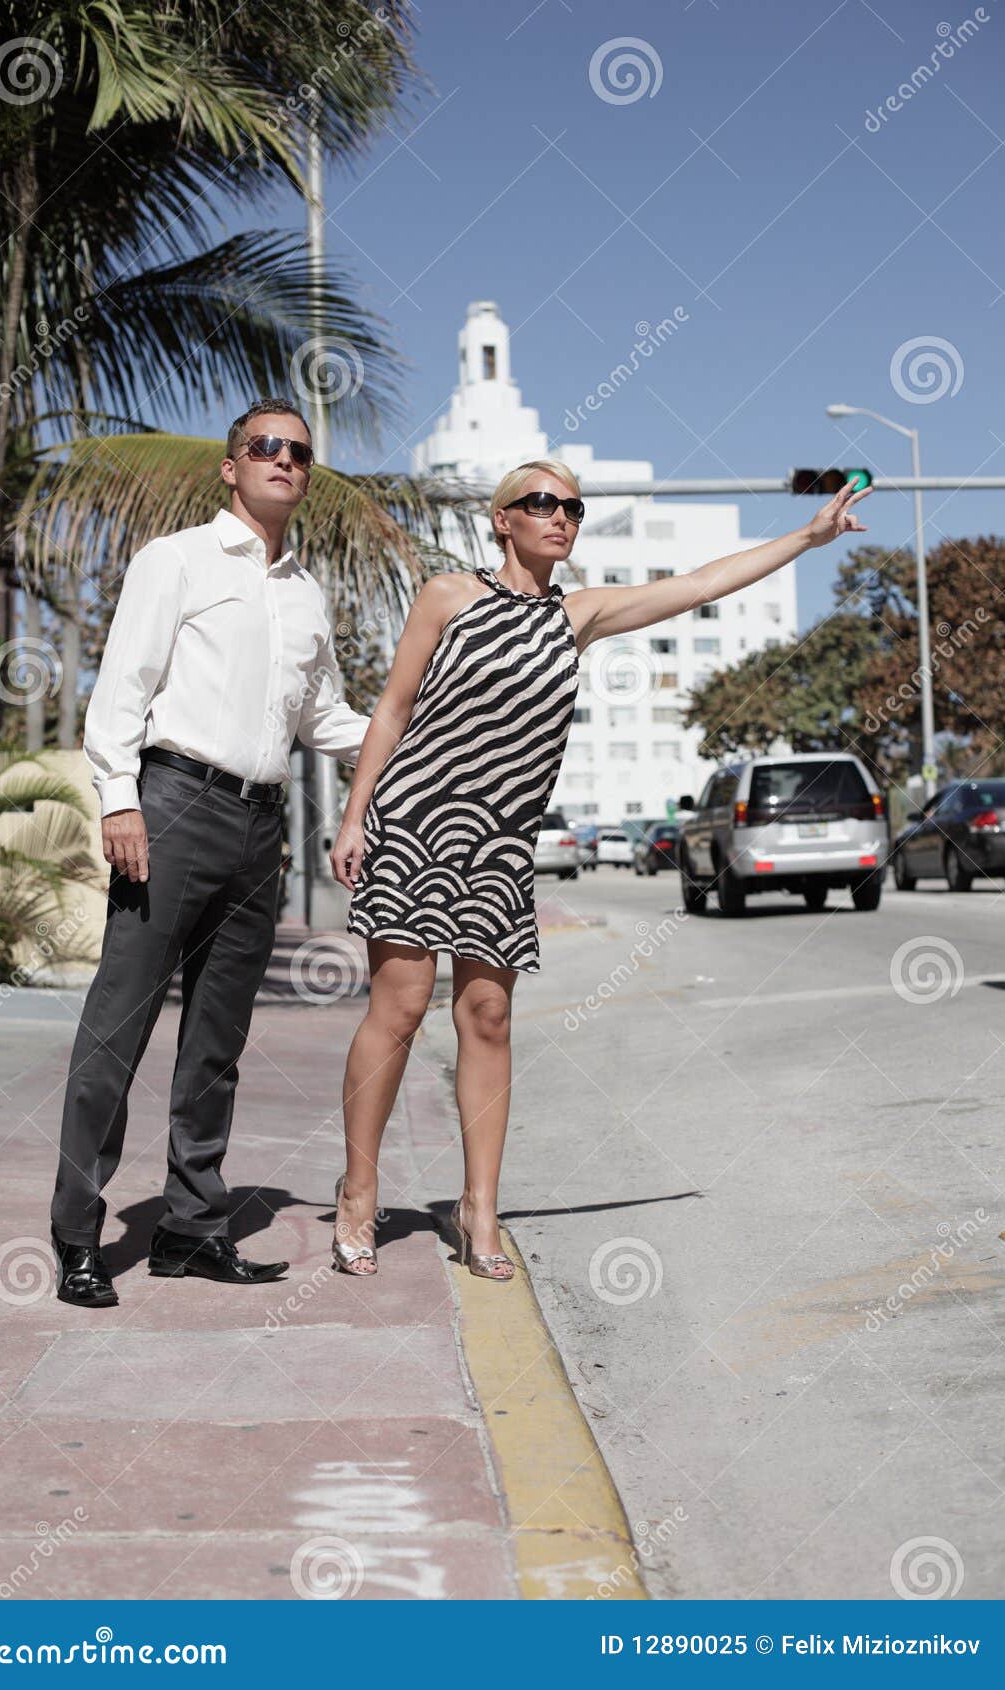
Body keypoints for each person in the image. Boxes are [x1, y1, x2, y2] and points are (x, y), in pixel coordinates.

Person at [329, 459, 869, 1279]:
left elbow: (700, 583)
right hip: (412, 821)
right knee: (399, 1010)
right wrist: (353, 813)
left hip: (501, 839)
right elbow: (393, 707)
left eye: (572, 507)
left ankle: (479, 1209)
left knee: (487, 1018)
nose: (560, 517)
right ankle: (358, 1192)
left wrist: (807, 534)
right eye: (541, 503)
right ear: (502, 518)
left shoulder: (575, 617)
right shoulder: (448, 596)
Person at [48, 399, 369, 1307]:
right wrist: (120, 800)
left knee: (218, 1042)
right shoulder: (176, 559)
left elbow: (324, 718)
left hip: (258, 826)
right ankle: (77, 1231)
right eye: (266, 447)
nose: (285, 461)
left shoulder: (307, 593)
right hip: (174, 803)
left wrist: (408, 730)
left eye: (300, 453)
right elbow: (121, 690)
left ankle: (191, 1229)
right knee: (118, 1027)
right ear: (231, 467)